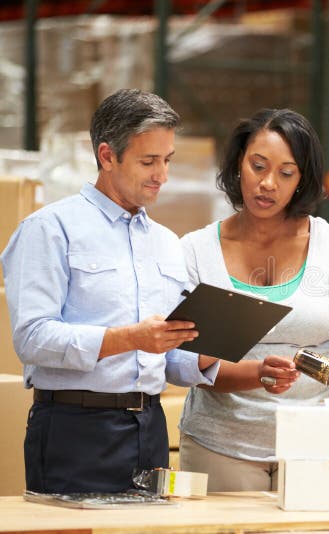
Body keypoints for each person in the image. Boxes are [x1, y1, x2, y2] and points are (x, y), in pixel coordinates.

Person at [0, 89, 219, 494]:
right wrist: (129, 338)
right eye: (148, 161)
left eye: (167, 160)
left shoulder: (168, 243)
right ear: (107, 156)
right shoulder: (50, 229)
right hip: (75, 429)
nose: (162, 175)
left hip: (150, 429)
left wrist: (215, 344)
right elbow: (31, 339)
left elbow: (168, 359)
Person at [178, 108, 329, 491]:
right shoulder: (196, 252)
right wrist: (258, 373)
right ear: (239, 164)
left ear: (302, 180)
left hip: (319, 446)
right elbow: (192, 366)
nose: (268, 183)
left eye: (286, 173)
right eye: (258, 166)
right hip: (222, 447)